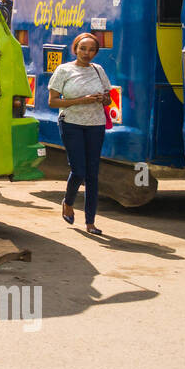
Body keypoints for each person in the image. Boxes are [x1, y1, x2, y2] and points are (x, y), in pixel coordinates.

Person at [48, 32, 111, 235]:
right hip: (71, 124)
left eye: (91, 50)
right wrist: (80, 100)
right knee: (79, 171)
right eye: (83, 48)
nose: (87, 53)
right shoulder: (64, 70)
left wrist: (103, 99)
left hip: (96, 125)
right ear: (75, 48)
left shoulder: (98, 70)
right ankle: (68, 201)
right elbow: (53, 101)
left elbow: (109, 98)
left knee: (93, 174)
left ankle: (90, 222)